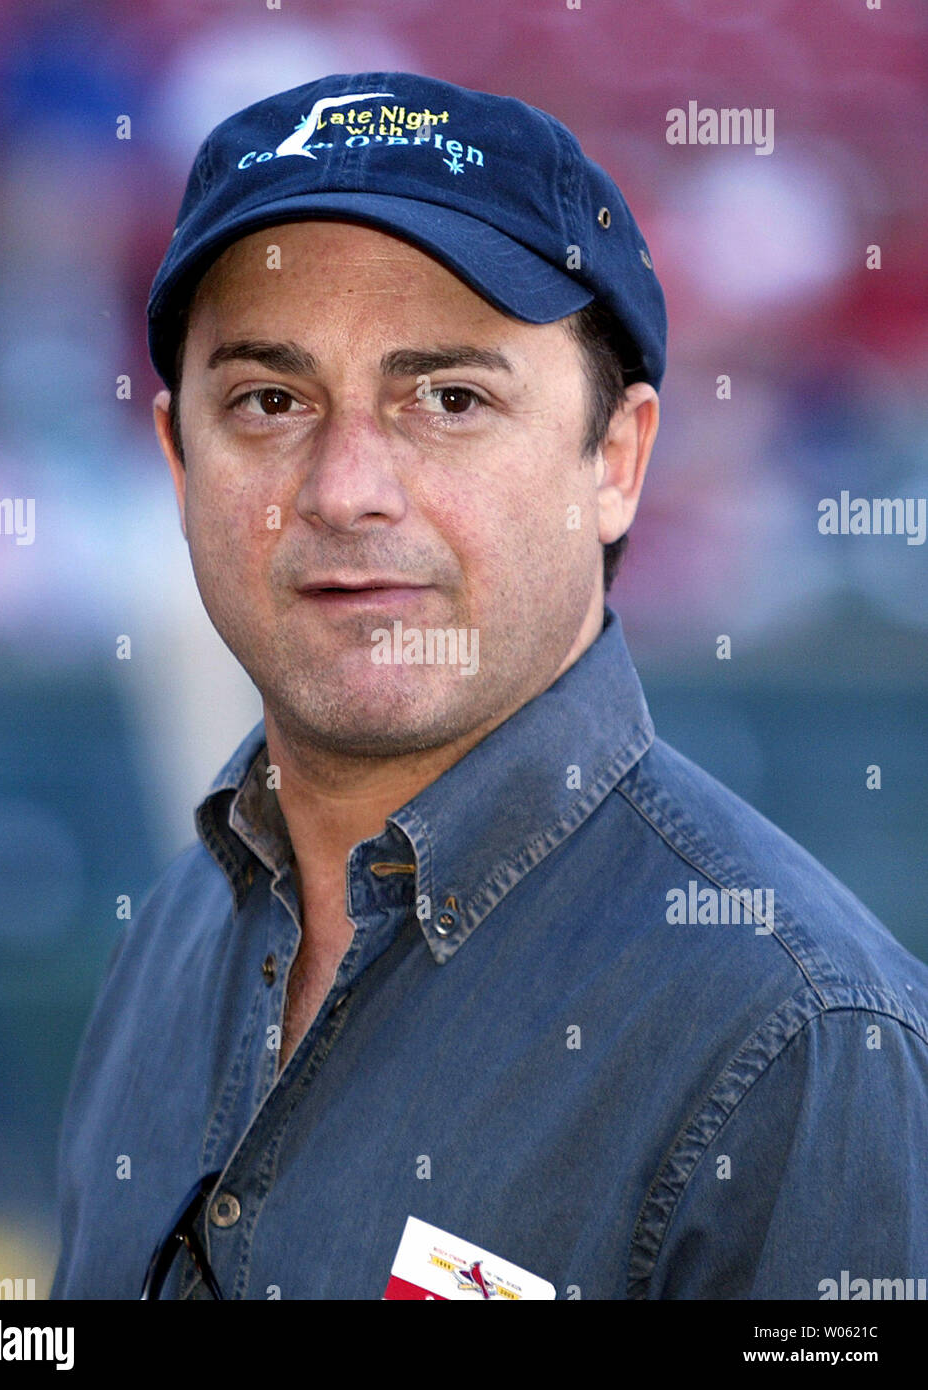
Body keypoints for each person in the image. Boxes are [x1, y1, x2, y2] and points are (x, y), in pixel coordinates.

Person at [50, 72, 928, 1301]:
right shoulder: (171, 937)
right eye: (269, 400)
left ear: (615, 461)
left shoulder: (807, 1037)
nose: (345, 486)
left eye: (450, 399)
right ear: (178, 458)